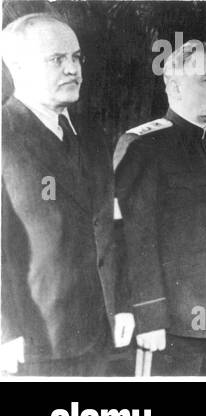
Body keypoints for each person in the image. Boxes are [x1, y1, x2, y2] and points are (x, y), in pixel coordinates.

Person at [115, 40, 206, 376]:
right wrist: (148, 316)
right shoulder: (146, 145)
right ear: (174, 86)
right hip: (173, 322)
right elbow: (134, 238)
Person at [0, 13, 133, 376]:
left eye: (76, 58)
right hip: (33, 339)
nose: (73, 69)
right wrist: (4, 331)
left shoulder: (92, 134)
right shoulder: (4, 133)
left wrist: (119, 306)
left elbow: (106, 229)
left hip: (97, 333)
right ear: (18, 67)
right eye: (57, 59)